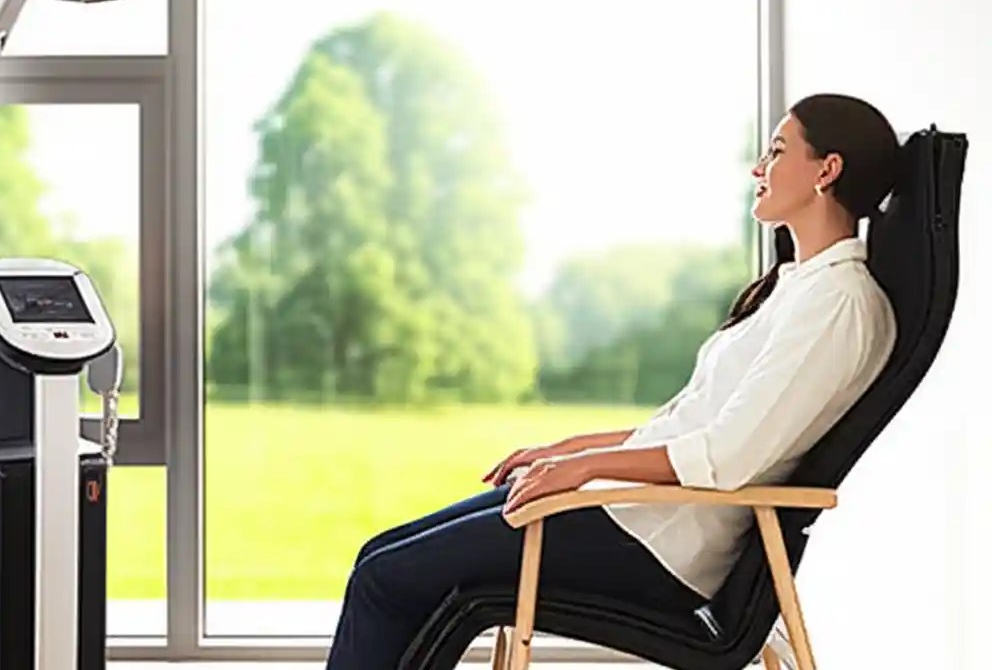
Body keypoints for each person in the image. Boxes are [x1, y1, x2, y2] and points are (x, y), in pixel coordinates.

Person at [324, 93, 902, 669]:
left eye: (776, 151)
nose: (758, 168)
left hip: (659, 543)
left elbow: (727, 455)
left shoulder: (837, 303)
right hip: (636, 515)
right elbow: (693, 424)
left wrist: (586, 468)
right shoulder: (799, 287)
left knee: (386, 580)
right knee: (381, 558)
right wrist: (569, 450)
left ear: (827, 170)